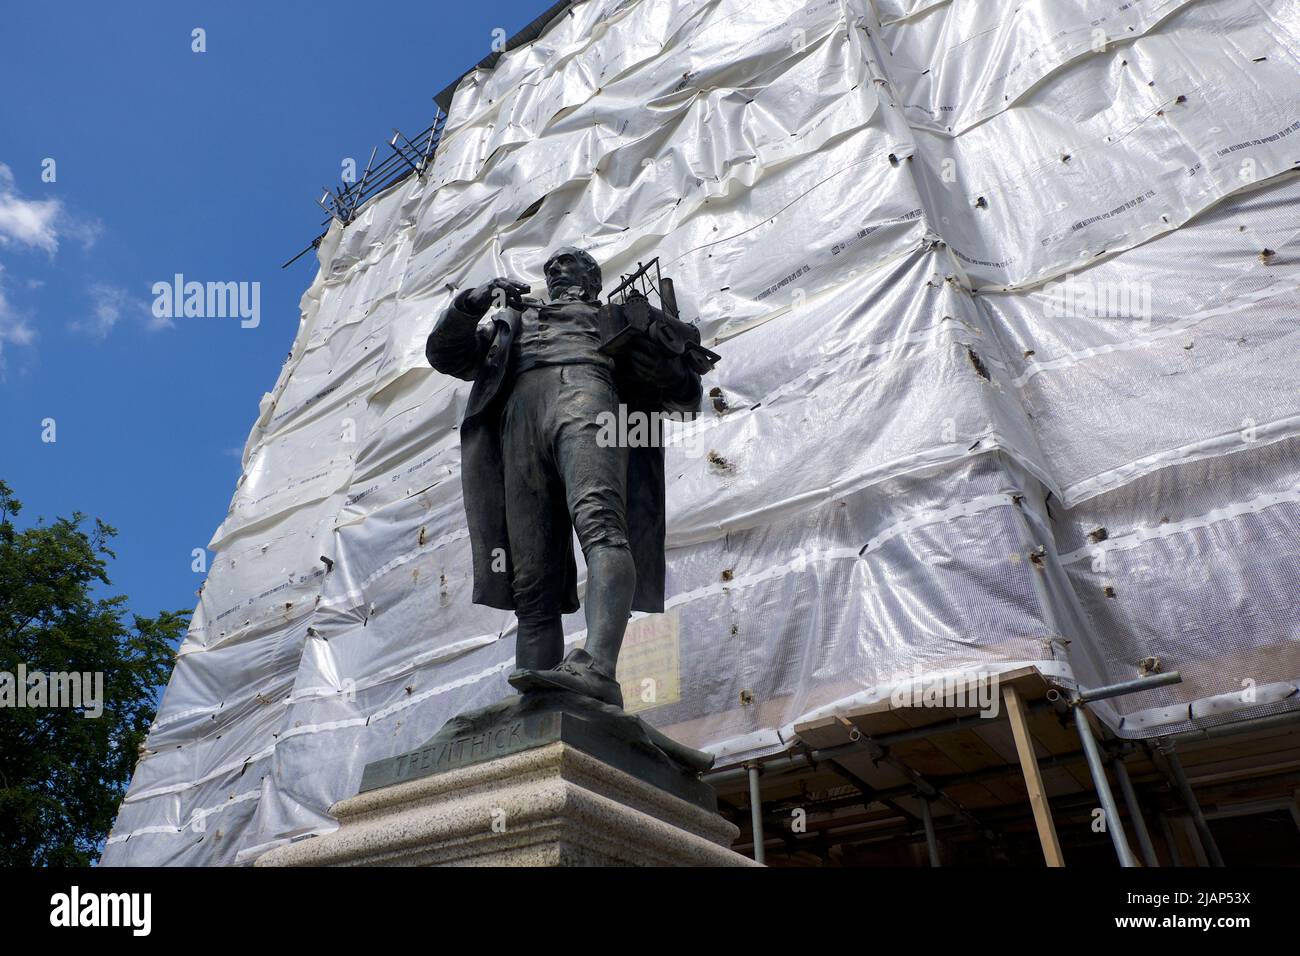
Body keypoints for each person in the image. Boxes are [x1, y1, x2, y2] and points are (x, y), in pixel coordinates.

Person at [426, 247, 702, 707]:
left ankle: (598, 668)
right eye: (551, 265)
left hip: (590, 395)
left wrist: (671, 370)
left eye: (569, 262)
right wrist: (468, 303)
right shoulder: (511, 321)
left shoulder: (617, 316)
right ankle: (534, 693)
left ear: (592, 279)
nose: (555, 269)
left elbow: (686, 394)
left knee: (601, 525)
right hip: (518, 420)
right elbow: (446, 353)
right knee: (530, 574)